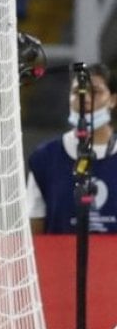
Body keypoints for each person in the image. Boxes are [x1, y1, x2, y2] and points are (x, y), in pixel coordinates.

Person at [27, 63, 117, 234]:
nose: (86, 99)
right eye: (77, 92)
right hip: (60, 251)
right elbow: (34, 232)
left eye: (95, 92)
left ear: (113, 100)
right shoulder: (44, 159)